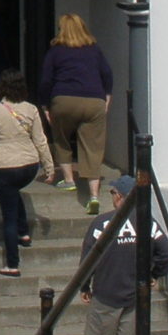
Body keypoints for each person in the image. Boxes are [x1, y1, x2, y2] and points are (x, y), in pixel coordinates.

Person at [66, 174, 168, 335]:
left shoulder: (101, 224)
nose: (111, 196)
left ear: (121, 196)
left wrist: (84, 286)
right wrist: (154, 273)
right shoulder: (147, 224)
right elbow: (167, 253)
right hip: (135, 293)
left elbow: (88, 260)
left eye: (113, 193)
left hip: (105, 292)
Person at [0, 68, 54, 276]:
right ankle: (24, 234)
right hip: (29, 165)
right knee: (15, 193)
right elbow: (40, 139)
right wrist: (48, 167)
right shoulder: (31, 110)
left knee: (8, 215)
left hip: (6, 166)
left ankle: (12, 264)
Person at [39, 12, 115, 210]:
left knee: (61, 138)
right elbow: (107, 73)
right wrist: (106, 97)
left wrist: (45, 105)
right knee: (93, 147)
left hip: (64, 99)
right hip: (94, 100)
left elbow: (46, 80)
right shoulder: (93, 49)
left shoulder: (56, 51)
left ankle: (69, 180)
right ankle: (93, 195)